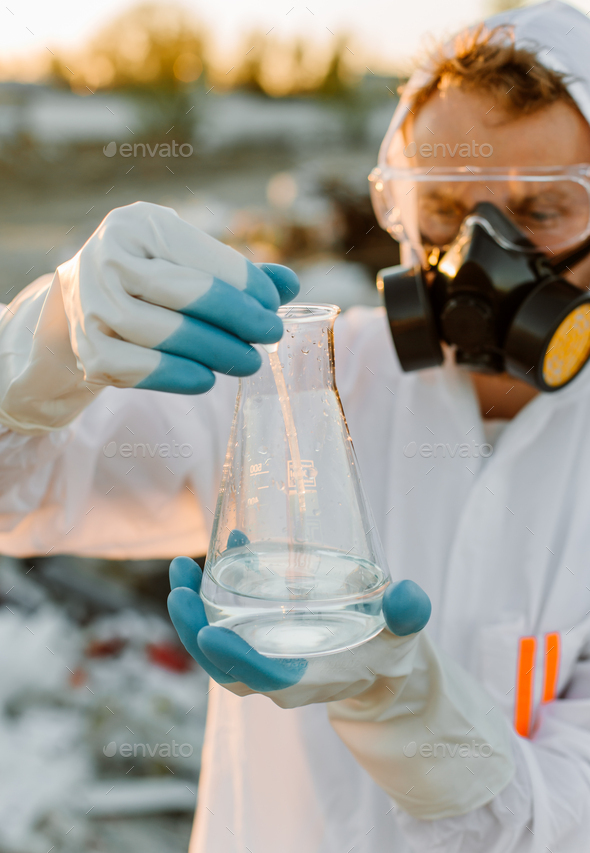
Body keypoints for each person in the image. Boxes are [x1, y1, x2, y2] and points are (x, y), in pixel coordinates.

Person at [2, 1, 590, 850]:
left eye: (541, 214)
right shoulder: (295, 383)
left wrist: (396, 698)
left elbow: (558, 825)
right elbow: (15, 491)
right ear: (396, 211)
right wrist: (44, 345)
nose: (481, 253)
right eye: (444, 210)